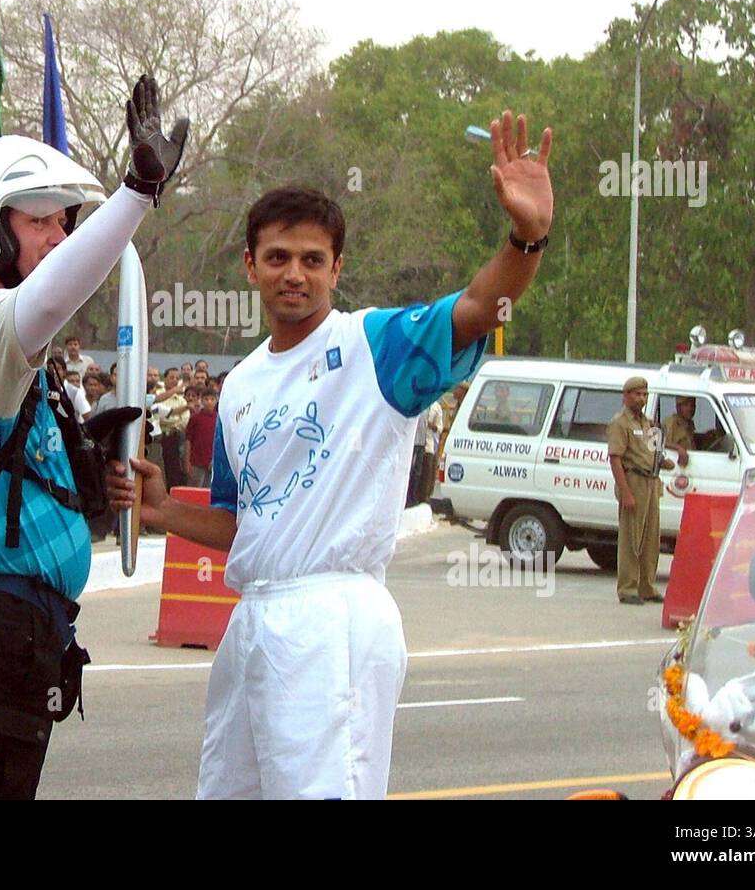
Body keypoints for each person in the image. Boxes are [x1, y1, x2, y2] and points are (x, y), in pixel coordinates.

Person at [109, 109, 553, 799]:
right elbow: (245, 523)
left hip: (333, 622)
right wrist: (167, 512)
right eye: (279, 257)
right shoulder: (241, 386)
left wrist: (526, 238)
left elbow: (476, 308)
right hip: (254, 620)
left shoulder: (376, 346)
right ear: (250, 265)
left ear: (337, 269)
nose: (295, 274)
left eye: (313, 260)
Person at [0, 75, 187, 800]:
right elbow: (51, 296)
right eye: (38, 221)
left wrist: (85, 476)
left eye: (65, 222)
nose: (59, 237)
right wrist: (137, 193)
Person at [607, 375, 676, 606]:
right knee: (631, 539)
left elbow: (652, 452)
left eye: (645, 394)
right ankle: (627, 588)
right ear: (626, 396)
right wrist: (625, 492)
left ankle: (647, 586)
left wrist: (663, 462)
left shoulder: (647, 423)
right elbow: (615, 459)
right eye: (637, 394)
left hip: (651, 482)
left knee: (650, 539)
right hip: (633, 481)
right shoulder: (620, 423)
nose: (641, 398)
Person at [151, 369, 189, 489]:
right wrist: (173, 420)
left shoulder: (181, 399)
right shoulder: (155, 396)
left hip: (174, 438)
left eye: (177, 378)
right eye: (171, 377)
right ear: (165, 378)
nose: (174, 380)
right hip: (157, 437)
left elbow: (182, 419)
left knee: (172, 471)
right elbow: (162, 417)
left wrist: (186, 408)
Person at [185, 385, 217, 488]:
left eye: (212, 399)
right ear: (201, 401)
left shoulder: (219, 419)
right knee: (194, 489)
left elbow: (220, 441)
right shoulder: (195, 418)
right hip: (196, 462)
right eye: (206, 399)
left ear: (216, 401)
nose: (209, 402)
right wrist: (187, 461)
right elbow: (188, 440)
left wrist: (215, 459)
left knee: (209, 491)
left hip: (212, 462)